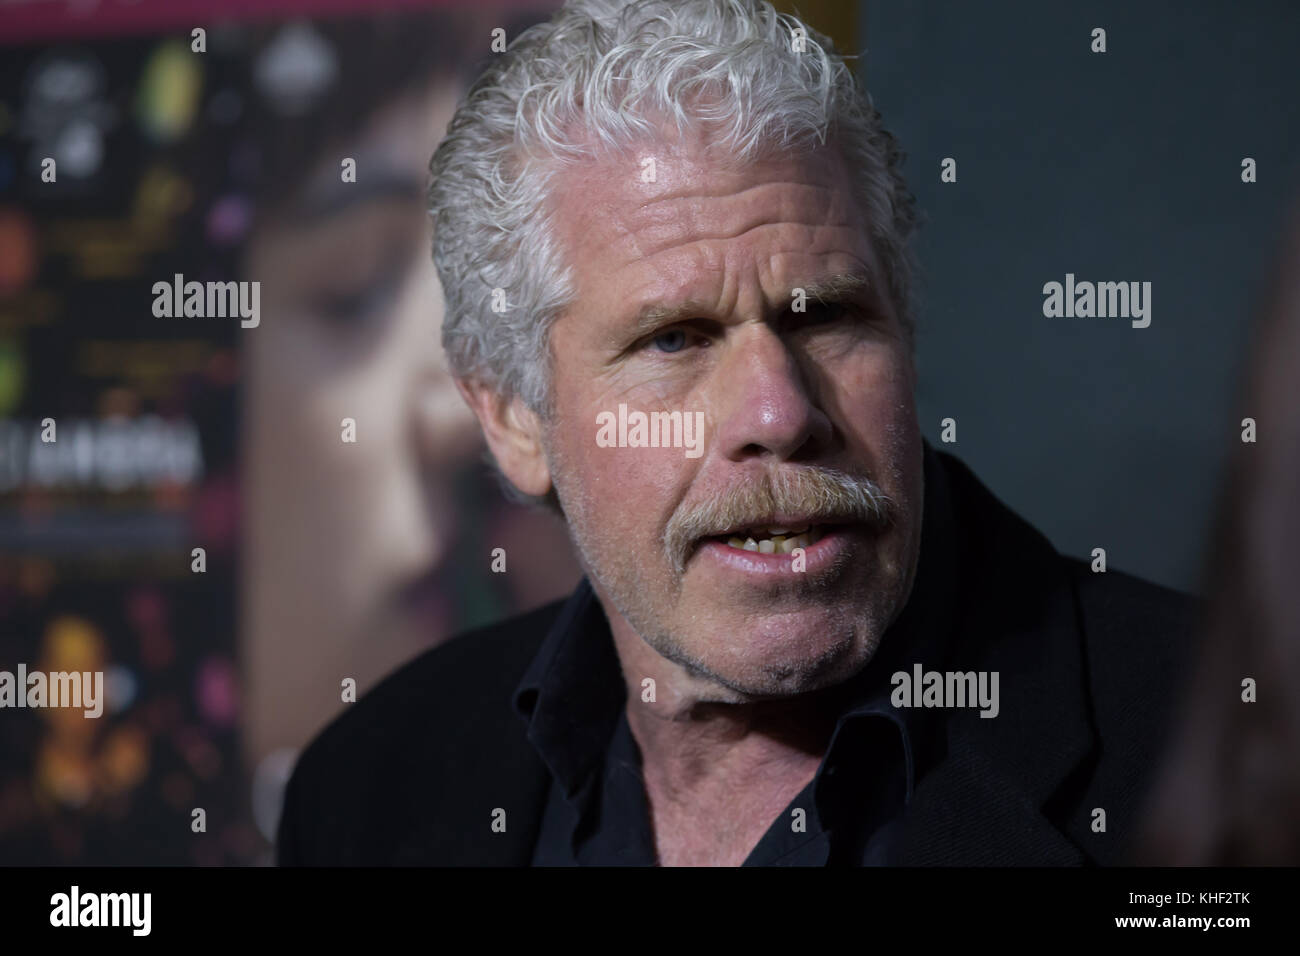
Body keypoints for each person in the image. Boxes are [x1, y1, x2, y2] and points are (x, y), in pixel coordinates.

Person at [277, 0, 1196, 867]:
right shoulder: (368, 788)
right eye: (673, 338)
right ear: (515, 418)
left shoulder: (1222, 745)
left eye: (826, 317)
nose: (780, 414)